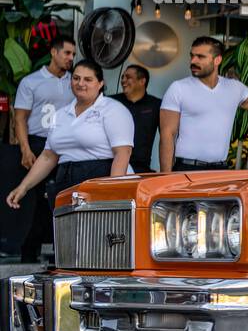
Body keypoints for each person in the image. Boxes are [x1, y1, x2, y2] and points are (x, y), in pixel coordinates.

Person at [6, 60, 134, 222]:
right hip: (66, 184)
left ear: (100, 83)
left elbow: (123, 154)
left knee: (98, 238)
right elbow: (48, 156)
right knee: (66, 240)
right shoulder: (60, 115)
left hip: (101, 178)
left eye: (88, 79)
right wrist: (23, 187)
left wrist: (113, 195)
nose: (81, 84)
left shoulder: (113, 110)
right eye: (76, 78)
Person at [159, 37, 248, 172]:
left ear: (217, 60)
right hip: (187, 169)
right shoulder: (178, 88)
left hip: (220, 170)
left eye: (200, 57)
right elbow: (167, 135)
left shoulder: (233, 88)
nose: (193, 61)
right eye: (192, 56)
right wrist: (165, 178)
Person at [12, 33, 76, 262]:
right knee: (35, 199)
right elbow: (20, 118)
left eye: (73, 54)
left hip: (66, 145)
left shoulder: (75, 82)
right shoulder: (31, 82)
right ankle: (29, 251)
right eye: (67, 53)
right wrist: (25, 149)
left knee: (60, 197)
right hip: (39, 144)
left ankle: (59, 251)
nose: (71, 58)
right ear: (54, 52)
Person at [111, 64, 162, 173]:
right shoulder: (111, 102)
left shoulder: (156, 105)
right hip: (112, 165)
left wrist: (165, 171)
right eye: (122, 77)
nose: (123, 80)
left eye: (128, 77)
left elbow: (167, 137)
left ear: (142, 81)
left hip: (142, 168)